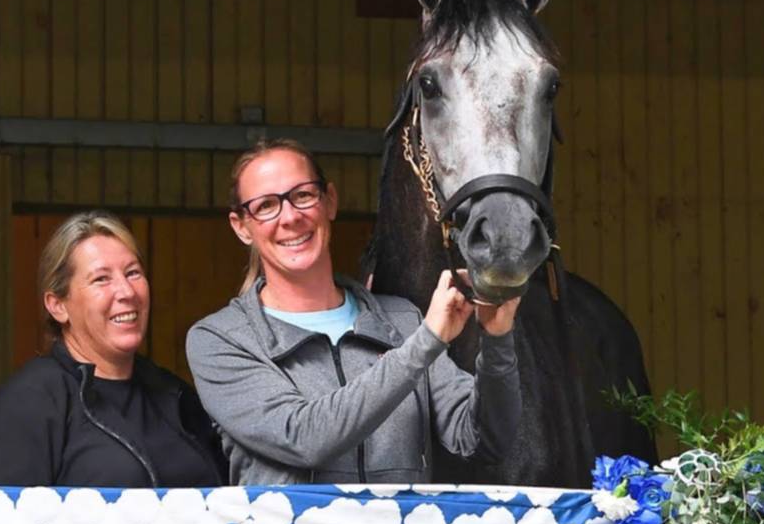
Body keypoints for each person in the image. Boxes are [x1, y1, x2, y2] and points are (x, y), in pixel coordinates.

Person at [186, 138, 523, 484]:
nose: (290, 217)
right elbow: (303, 438)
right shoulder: (220, 340)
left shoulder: (402, 321)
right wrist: (426, 342)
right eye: (266, 206)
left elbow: (483, 441)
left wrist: (497, 340)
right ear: (241, 226)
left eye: (303, 195)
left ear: (329, 200)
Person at [0, 211, 226, 487]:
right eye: (101, 279)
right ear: (58, 305)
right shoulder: (26, 403)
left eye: (133, 273)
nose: (127, 291)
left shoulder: (176, 395)